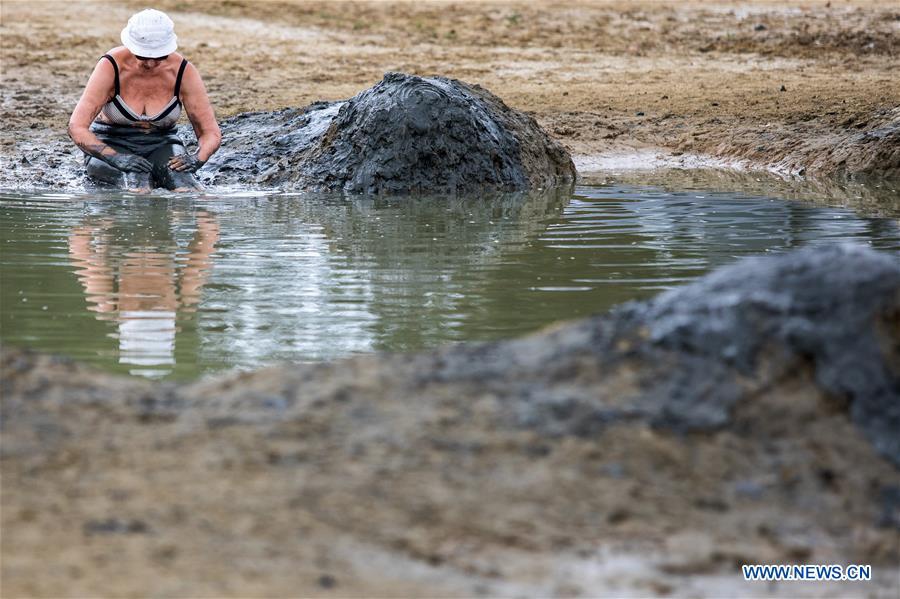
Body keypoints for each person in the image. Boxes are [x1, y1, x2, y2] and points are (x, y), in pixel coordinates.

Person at [68, 9, 221, 193]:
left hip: (162, 144)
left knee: (186, 186)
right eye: (142, 56)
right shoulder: (111, 66)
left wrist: (196, 159)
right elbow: (76, 127)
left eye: (159, 57)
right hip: (112, 143)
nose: (150, 64)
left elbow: (210, 133)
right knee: (137, 186)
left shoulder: (183, 72)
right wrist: (116, 158)